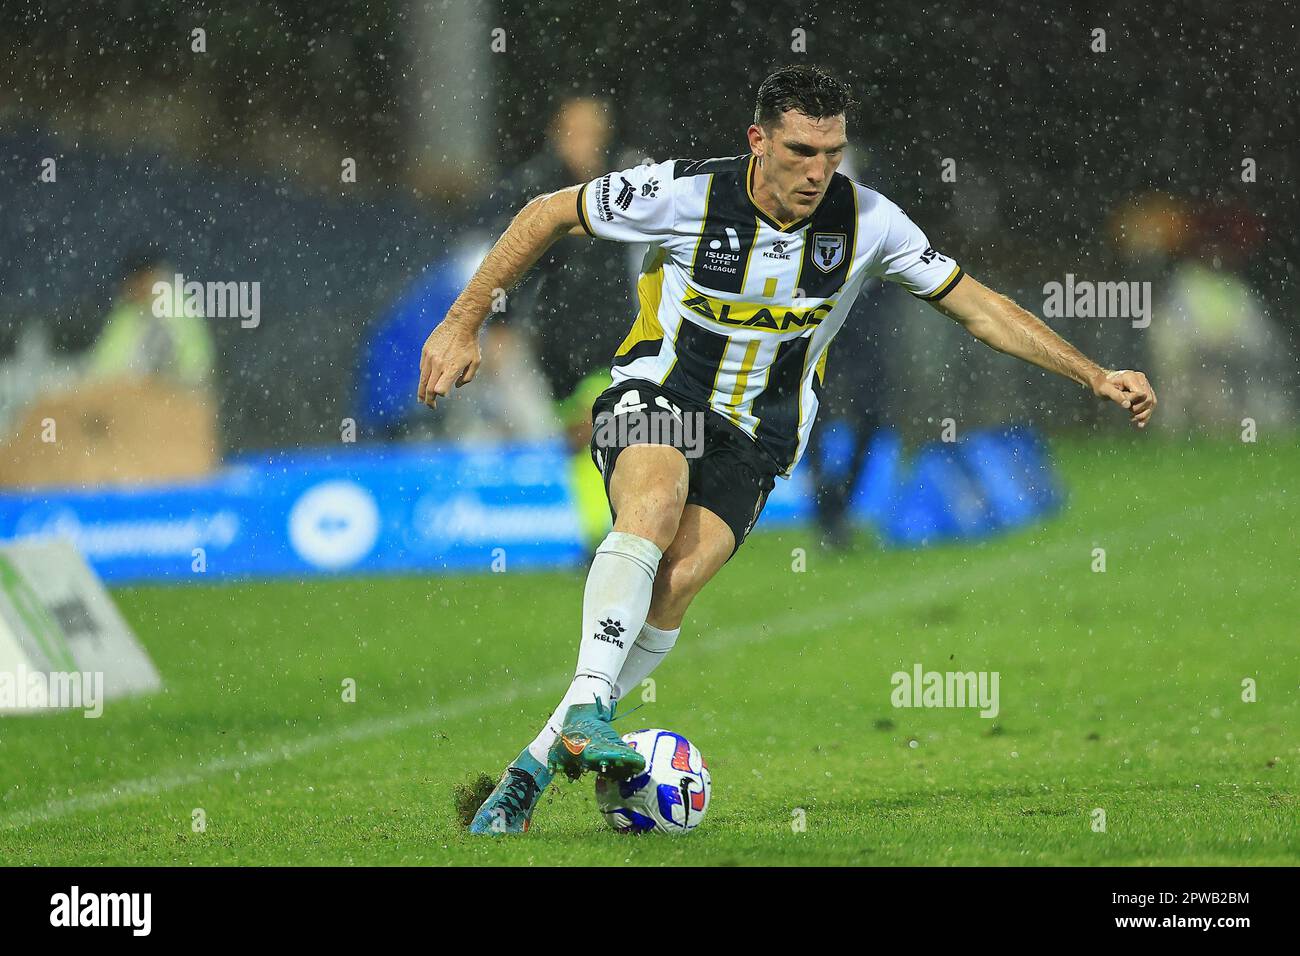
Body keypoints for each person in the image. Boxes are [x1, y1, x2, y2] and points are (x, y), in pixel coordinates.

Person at [416, 65, 1156, 834]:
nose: (818, 170)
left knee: (674, 585)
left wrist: (1094, 373)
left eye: (832, 152)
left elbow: (980, 308)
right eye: (801, 150)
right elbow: (543, 213)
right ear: (758, 140)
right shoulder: (684, 194)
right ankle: (586, 714)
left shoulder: (869, 222)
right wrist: (462, 323)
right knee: (655, 504)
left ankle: (538, 760)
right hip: (661, 394)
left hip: (760, 437)